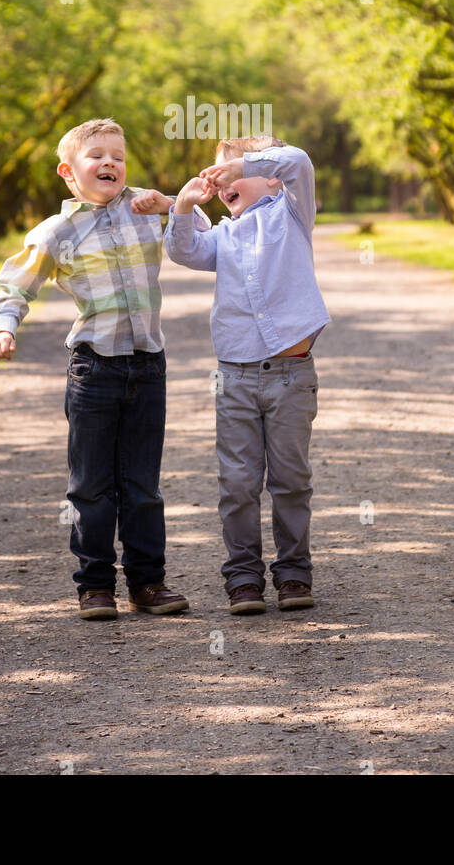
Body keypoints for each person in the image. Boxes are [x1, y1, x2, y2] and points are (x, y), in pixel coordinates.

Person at [0, 117, 198, 621]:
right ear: (68, 171)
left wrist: (172, 204)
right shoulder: (57, 232)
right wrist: (4, 328)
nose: (110, 163)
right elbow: (15, 285)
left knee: (143, 485)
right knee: (91, 484)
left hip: (148, 366)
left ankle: (148, 583)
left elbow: (198, 228)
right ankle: (95, 585)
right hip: (94, 370)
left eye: (118, 157)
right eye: (97, 156)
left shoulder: (147, 206)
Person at [164, 135, 330, 614]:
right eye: (218, 176)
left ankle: (295, 572)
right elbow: (185, 251)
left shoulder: (293, 214)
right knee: (237, 483)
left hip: (290, 376)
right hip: (234, 378)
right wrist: (181, 207)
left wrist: (239, 163)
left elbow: (298, 157)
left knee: (290, 478)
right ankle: (243, 578)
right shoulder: (223, 237)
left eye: (234, 173)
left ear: (271, 177)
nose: (223, 181)